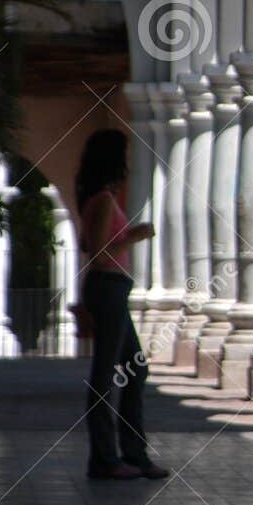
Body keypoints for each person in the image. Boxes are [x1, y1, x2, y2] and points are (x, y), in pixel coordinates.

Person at [73, 128, 167, 481]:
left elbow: (86, 242)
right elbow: (96, 254)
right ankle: (106, 458)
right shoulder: (100, 199)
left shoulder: (100, 198)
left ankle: (132, 453)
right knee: (106, 374)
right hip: (107, 286)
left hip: (112, 289)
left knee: (134, 367)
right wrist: (134, 236)